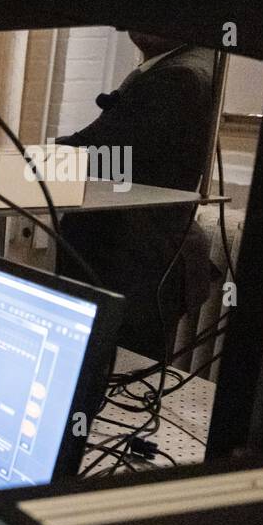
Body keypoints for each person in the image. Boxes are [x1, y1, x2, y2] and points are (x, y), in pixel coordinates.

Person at [56, 31, 217, 361]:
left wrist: (27, 158)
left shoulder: (179, 76)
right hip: (144, 259)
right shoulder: (182, 64)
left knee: (113, 379)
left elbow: (99, 156)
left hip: (135, 265)